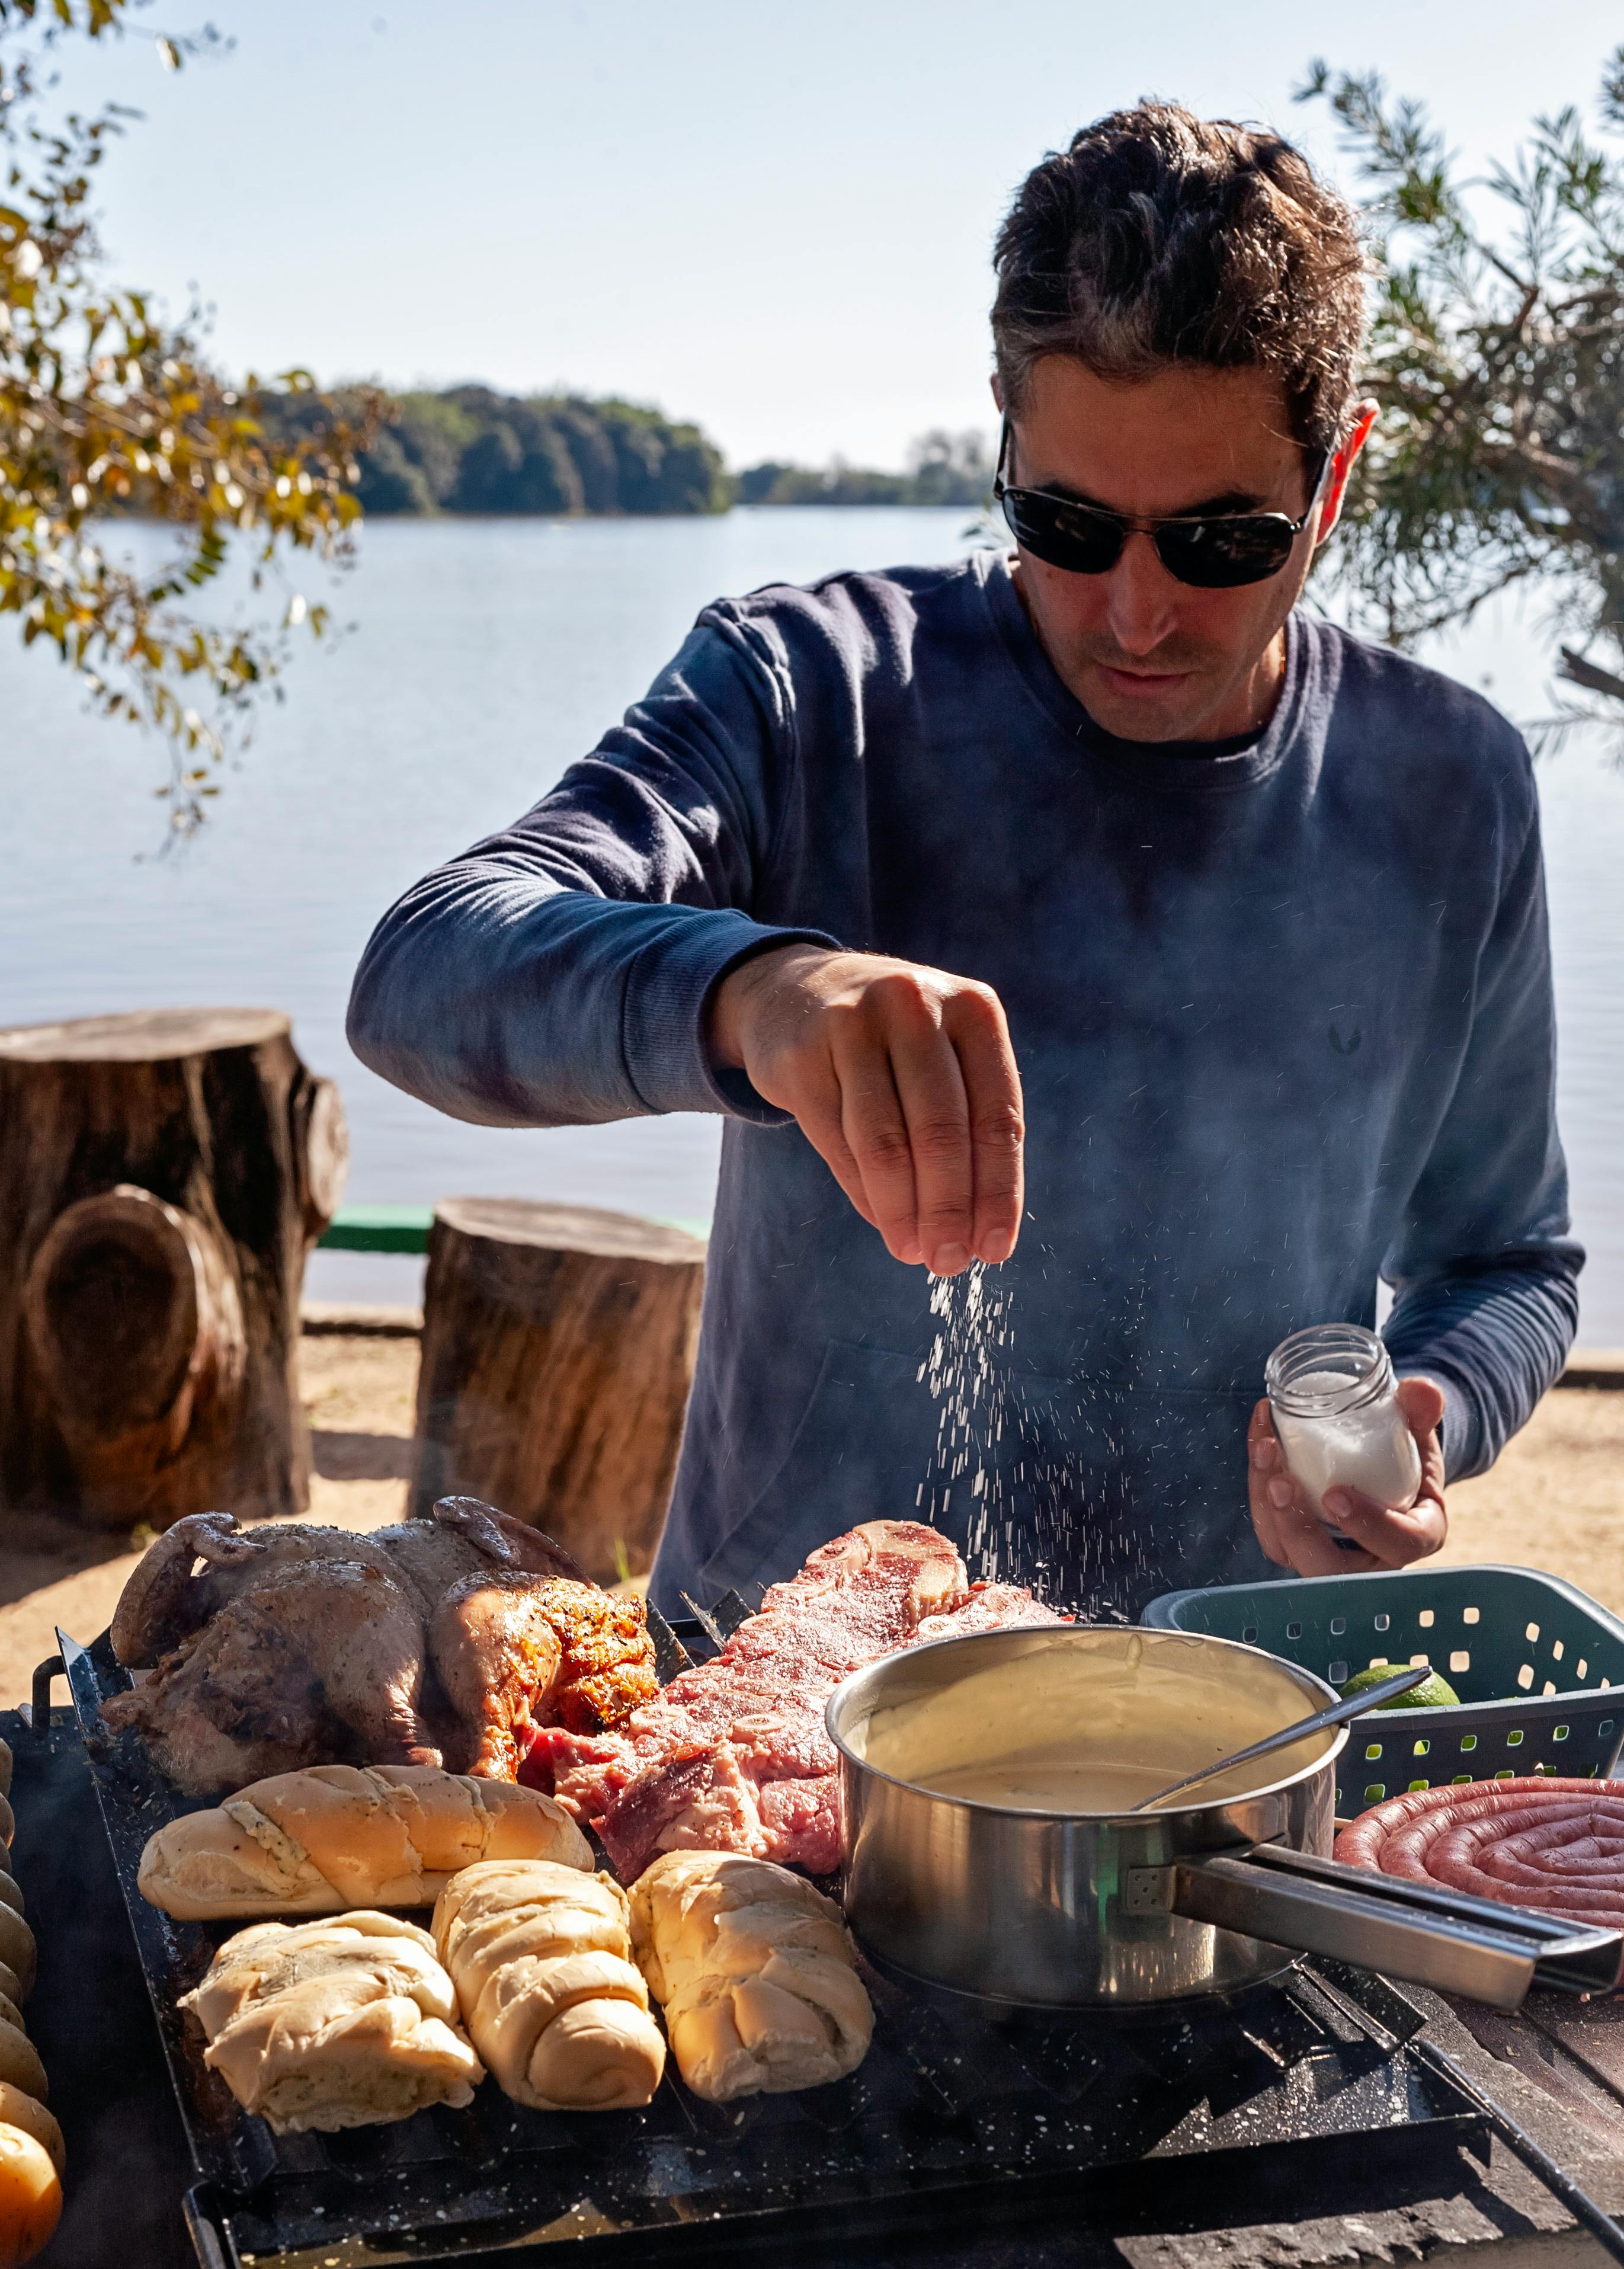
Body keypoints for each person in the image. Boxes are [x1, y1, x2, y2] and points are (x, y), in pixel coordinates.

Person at [348, 103, 1581, 1622]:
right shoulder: (815, 687)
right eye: (1068, 522)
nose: (1135, 614)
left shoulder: (1446, 783)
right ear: (1004, 442)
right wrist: (760, 994)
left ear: (1334, 487)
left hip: (1228, 1700)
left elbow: (1512, 1258)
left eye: (1218, 542)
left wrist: (1426, 1414)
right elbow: (423, 966)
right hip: (772, 1720)